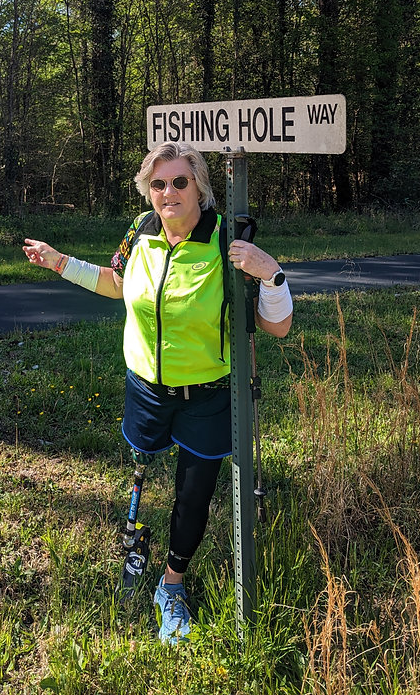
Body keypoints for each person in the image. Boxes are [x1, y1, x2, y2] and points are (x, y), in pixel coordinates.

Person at [23, 140, 292, 644]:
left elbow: (275, 327)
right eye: (159, 183)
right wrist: (59, 262)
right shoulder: (141, 230)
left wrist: (271, 275)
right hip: (145, 386)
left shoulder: (225, 240)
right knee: (142, 459)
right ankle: (134, 536)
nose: (169, 192)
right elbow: (116, 283)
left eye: (180, 182)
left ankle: (172, 584)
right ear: (149, 193)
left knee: (194, 496)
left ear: (201, 189)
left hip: (207, 394)